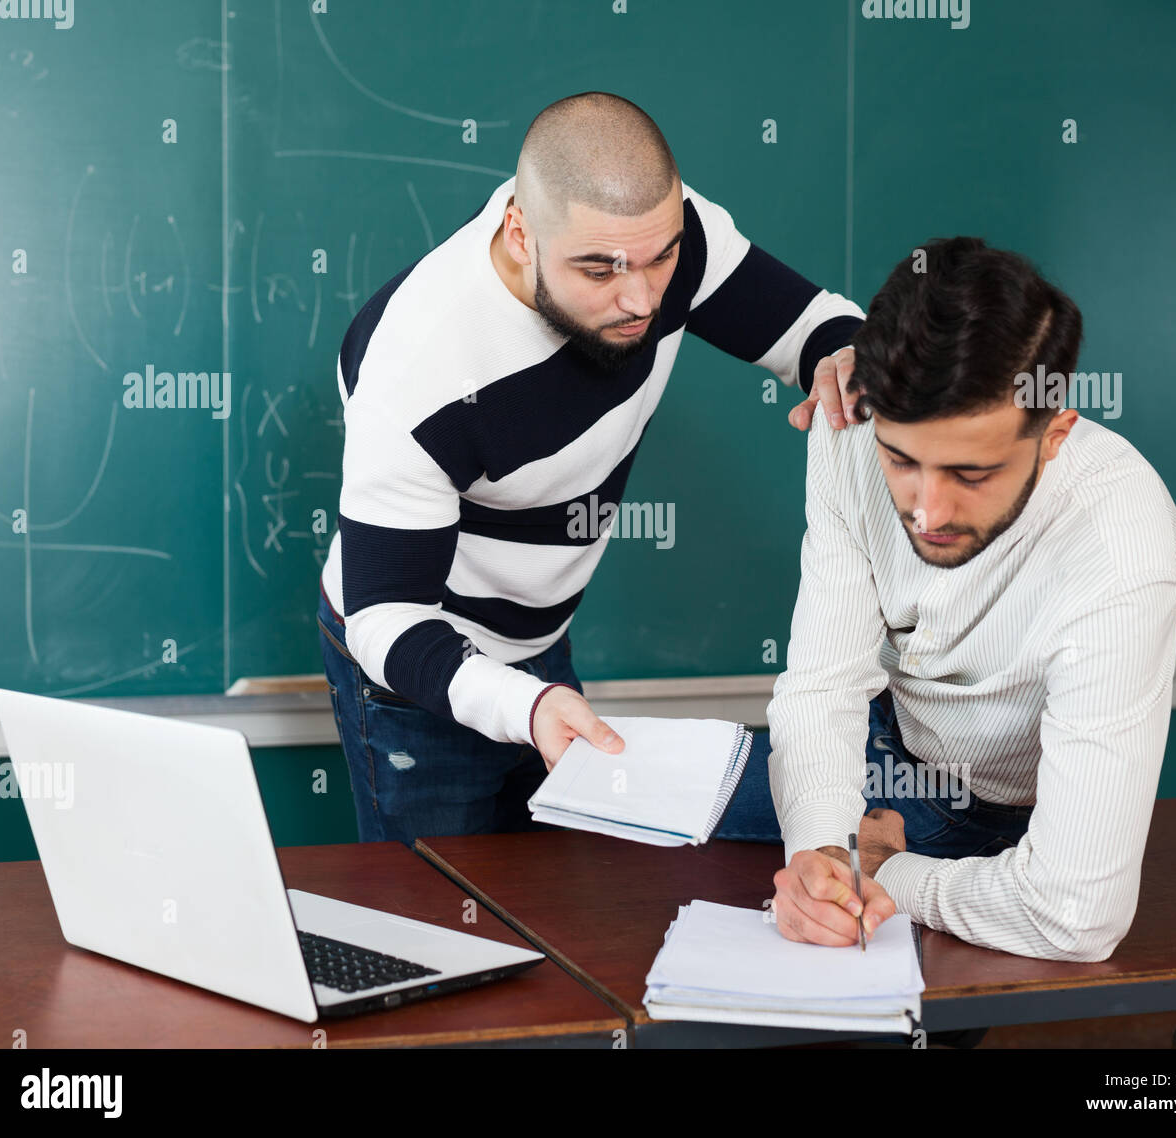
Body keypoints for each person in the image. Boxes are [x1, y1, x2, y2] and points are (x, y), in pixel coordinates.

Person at [318, 91, 865, 845]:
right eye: (598, 270)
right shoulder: (413, 369)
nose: (639, 297)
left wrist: (855, 358)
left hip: (540, 638)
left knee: (559, 908)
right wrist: (525, 705)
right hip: (419, 667)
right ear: (520, 232)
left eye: (660, 258)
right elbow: (384, 618)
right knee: (444, 923)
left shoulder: (664, 236)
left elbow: (811, 328)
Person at [766, 236, 1176, 962]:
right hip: (879, 739)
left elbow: (1075, 917)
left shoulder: (1125, 549)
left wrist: (890, 871)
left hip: (1001, 819)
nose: (927, 510)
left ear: (1053, 433)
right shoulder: (849, 428)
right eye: (901, 460)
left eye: (970, 474)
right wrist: (823, 856)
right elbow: (825, 682)